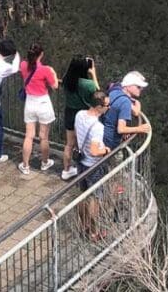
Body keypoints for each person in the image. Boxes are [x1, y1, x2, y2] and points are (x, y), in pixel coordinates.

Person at [73, 90, 111, 241]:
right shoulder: (97, 127)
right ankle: (94, 232)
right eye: (107, 105)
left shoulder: (80, 115)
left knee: (83, 196)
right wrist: (106, 150)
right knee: (95, 199)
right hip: (93, 166)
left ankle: (83, 227)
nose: (108, 108)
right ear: (99, 107)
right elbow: (95, 150)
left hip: (81, 162)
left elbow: (77, 134)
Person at [18, 43, 59, 175]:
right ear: (41, 54)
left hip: (30, 102)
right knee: (43, 137)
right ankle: (45, 162)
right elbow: (55, 86)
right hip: (43, 103)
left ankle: (25, 165)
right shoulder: (45, 70)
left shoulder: (23, 65)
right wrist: (53, 71)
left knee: (29, 136)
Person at [60, 55, 100, 181]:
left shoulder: (67, 80)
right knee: (83, 144)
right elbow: (99, 95)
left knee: (69, 144)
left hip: (69, 112)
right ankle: (83, 169)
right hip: (82, 115)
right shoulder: (88, 84)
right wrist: (93, 74)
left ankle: (66, 170)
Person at [102, 71, 152, 150]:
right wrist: (139, 128)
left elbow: (135, 112)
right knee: (116, 160)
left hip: (101, 134)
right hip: (110, 143)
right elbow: (121, 129)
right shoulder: (125, 102)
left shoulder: (115, 91)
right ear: (128, 86)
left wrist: (136, 102)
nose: (141, 89)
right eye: (138, 87)